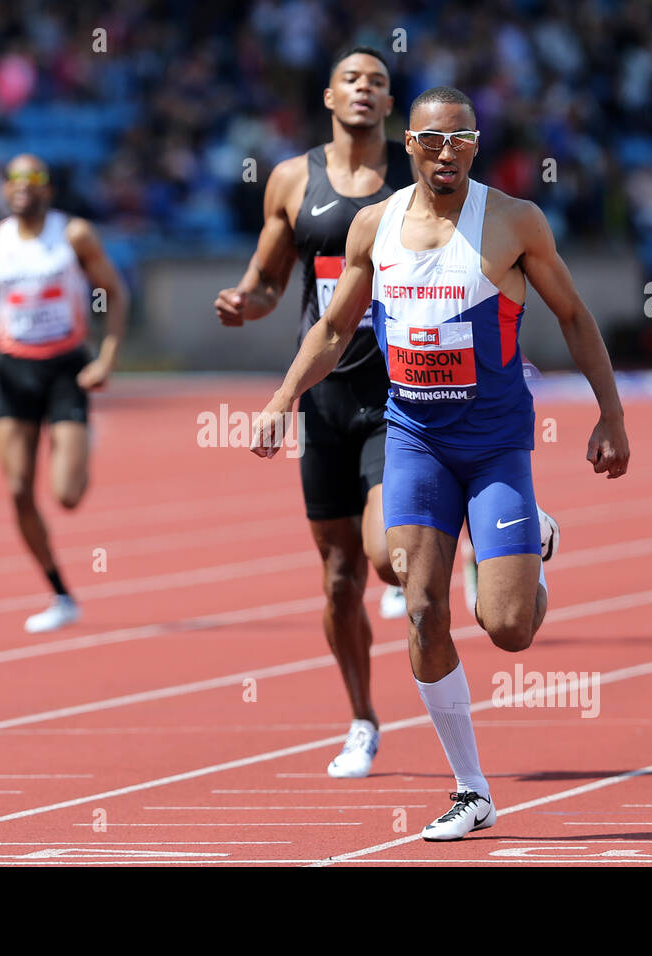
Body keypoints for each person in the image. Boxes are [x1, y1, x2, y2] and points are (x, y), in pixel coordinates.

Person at [249, 87, 629, 840]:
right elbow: (332, 326)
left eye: (461, 140)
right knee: (420, 607)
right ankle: (473, 789)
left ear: (475, 145)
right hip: (414, 440)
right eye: (432, 141)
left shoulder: (515, 222)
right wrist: (283, 396)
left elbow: (575, 317)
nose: (446, 153)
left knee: (509, 627)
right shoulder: (374, 226)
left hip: (492, 447)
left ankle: (531, 544)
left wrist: (609, 414)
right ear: (410, 146)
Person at [215, 46, 412, 779]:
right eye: (353, 79)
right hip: (325, 397)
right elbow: (268, 282)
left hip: (399, 391)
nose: (365, 89)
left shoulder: (416, 179)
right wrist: (246, 302)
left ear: (391, 105)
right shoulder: (295, 179)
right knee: (338, 578)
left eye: (379, 82)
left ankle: (465, 532)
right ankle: (362, 719)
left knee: (389, 561)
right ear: (330, 95)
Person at [0, 154, 127, 633]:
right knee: (16, 489)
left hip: (65, 369)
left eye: (31, 179)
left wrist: (107, 357)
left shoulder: (73, 236)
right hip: (13, 370)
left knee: (67, 495)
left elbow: (114, 293)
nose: (21, 186)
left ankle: (77, 440)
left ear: (47, 189)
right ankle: (59, 592)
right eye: (12, 178)